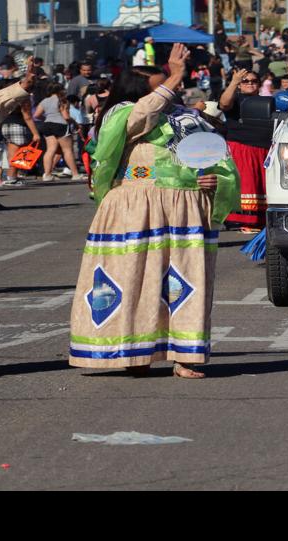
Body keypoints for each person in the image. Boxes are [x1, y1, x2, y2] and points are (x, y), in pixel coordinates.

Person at [69, 45, 237, 378]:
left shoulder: (186, 117)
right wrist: (174, 74)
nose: (172, 88)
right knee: (133, 279)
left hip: (185, 208)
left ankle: (185, 357)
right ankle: (135, 352)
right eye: (163, 83)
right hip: (136, 205)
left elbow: (215, 155)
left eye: (173, 83)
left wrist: (213, 179)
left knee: (185, 281)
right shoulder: (120, 114)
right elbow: (140, 118)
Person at [219, 66, 269, 232]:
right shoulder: (235, 100)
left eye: (254, 81)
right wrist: (234, 82)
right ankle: (242, 220)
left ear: (259, 84)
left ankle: (262, 220)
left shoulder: (268, 101)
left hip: (264, 148)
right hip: (241, 148)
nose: (250, 84)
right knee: (246, 184)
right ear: (240, 85)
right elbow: (224, 104)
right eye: (245, 81)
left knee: (262, 185)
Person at [0, 71, 40, 187]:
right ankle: (11, 177)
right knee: (17, 154)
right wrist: (35, 133)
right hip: (17, 126)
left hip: (5, 126)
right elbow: (27, 116)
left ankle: (10, 176)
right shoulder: (23, 97)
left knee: (11, 153)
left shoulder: (5, 96)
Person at [33, 83, 81, 180]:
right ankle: (75, 174)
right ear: (61, 90)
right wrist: (75, 123)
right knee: (67, 150)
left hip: (47, 125)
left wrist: (47, 118)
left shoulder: (44, 101)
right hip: (60, 125)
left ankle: (47, 174)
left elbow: (36, 115)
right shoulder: (63, 100)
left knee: (50, 150)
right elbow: (66, 117)